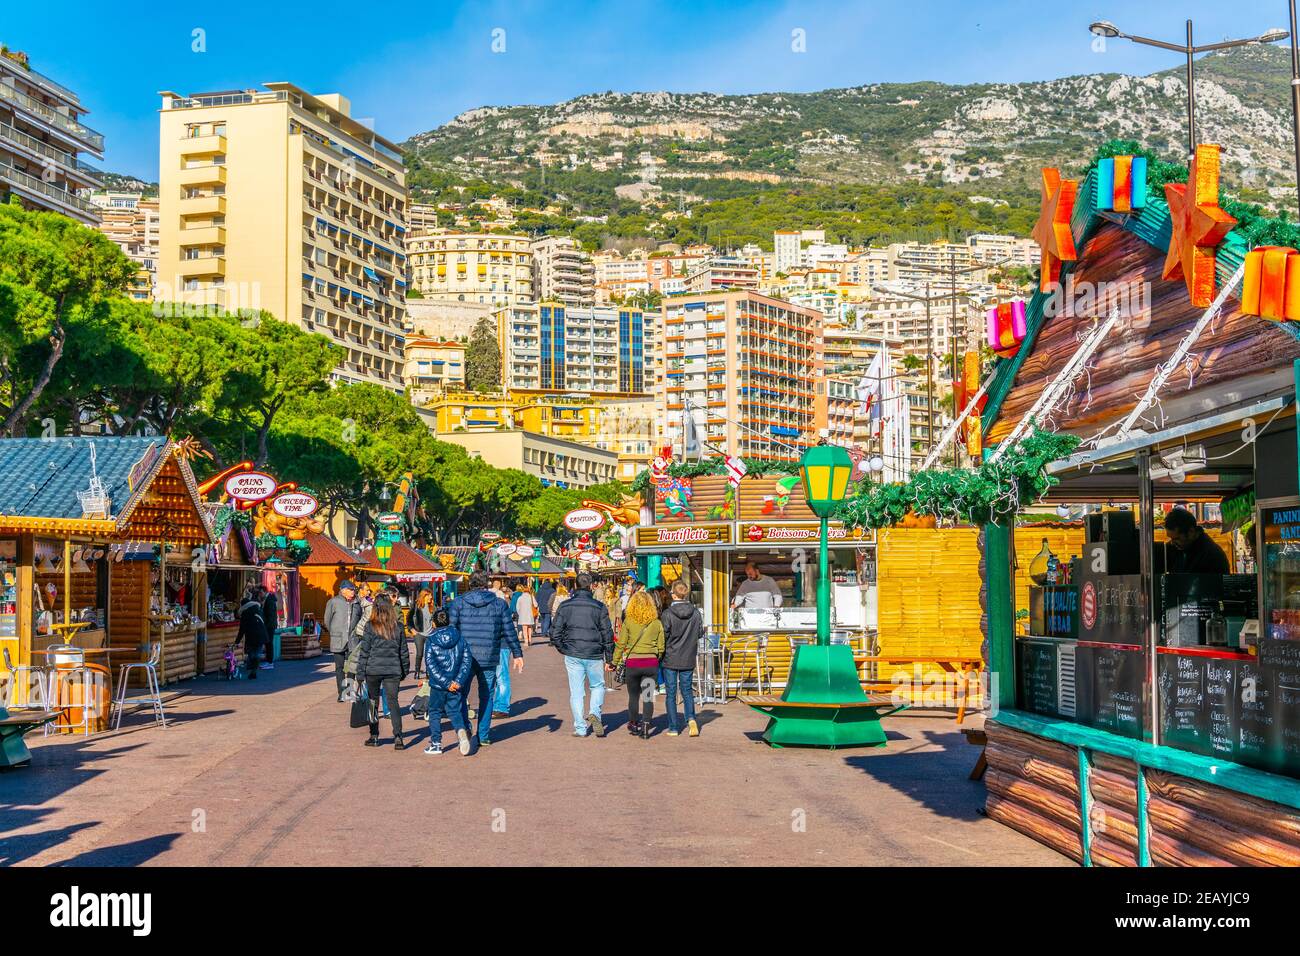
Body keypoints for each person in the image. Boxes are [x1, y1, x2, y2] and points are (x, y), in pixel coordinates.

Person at [449, 570, 524, 748]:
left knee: (460, 694)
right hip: (489, 655)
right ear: (487, 584)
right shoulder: (498, 604)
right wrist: (517, 653)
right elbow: (509, 630)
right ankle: (483, 735)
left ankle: (464, 728)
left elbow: (452, 631)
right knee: (487, 695)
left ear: (470, 583)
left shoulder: (458, 603)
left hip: (464, 656)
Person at [550, 571, 614, 738]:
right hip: (594, 653)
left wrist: (563, 648)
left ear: (576, 586)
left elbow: (554, 632)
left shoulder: (565, 606)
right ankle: (594, 713)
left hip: (573, 652)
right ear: (591, 586)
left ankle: (580, 727)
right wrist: (609, 657)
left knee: (577, 692)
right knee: (598, 686)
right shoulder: (599, 607)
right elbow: (607, 633)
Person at [355, 594, 410, 749]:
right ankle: (398, 737)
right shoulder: (398, 627)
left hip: (373, 670)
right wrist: (404, 670)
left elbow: (364, 652)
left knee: (373, 703)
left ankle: (374, 736)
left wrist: (360, 674)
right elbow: (403, 652)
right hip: (393, 670)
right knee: (393, 703)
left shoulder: (370, 626)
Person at [613, 590, 664, 738]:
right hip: (650, 663)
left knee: (633, 696)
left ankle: (634, 723)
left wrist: (614, 662)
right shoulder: (656, 623)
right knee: (648, 696)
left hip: (633, 663)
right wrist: (656, 656)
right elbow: (661, 646)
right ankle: (646, 724)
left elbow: (621, 644)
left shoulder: (628, 621)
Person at [422, 606, 473, 756]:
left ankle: (436, 743)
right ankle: (461, 731)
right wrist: (458, 681)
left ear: (434, 623)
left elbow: (430, 664)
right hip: (456, 683)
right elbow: (466, 660)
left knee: (435, 712)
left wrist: (445, 682)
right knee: (454, 711)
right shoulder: (459, 637)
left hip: (439, 685)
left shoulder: (431, 640)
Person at [660, 579, 703, 737]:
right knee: (687, 691)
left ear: (673, 594)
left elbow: (663, 636)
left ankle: (673, 727)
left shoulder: (667, 614)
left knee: (671, 693)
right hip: (688, 657)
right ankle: (691, 718)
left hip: (671, 657)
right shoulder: (696, 612)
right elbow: (699, 633)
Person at [324, 580, 361, 701]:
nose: (353, 592)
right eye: (351, 590)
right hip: (338, 638)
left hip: (353, 639)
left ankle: (349, 691)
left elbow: (360, 619)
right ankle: (341, 693)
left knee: (352, 667)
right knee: (339, 667)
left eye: (353, 590)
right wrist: (334, 632)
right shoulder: (333, 602)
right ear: (343, 590)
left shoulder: (357, 603)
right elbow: (327, 620)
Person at [1164, 507, 1230, 574]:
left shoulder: (1212, 555)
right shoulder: (1174, 548)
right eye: (1171, 538)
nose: (1172, 543)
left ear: (1191, 531)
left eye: (1177, 538)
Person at [235, 586, 269, 680]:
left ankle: (252, 668)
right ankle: (254, 670)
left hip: (251, 636)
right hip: (261, 635)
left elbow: (241, 630)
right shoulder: (258, 609)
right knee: (257, 653)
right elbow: (264, 621)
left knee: (251, 653)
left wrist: (237, 642)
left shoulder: (244, 614)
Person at [411, 590, 435, 680]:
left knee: (428, 654)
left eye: (431, 596)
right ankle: (417, 672)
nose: (431, 597)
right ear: (423, 596)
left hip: (430, 634)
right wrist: (412, 629)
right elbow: (410, 618)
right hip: (419, 634)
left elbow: (433, 620)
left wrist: (434, 627)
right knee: (419, 653)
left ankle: (428, 672)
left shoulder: (432, 606)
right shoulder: (417, 606)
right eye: (428, 595)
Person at [261, 584, 278, 669]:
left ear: (264, 592)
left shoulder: (269, 600)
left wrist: (266, 626)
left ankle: (270, 662)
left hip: (270, 626)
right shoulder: (269, 599)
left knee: (269, 643)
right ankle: (268, 661)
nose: (260, 595)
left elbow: (270, 615)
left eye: (260, 593)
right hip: (270, 625)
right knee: (268, 643)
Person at [515, 583, 537, 648]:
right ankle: (530, 640)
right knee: (529, 627)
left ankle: (526, 641)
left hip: (523, 615)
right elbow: (536, 605)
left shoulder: (520, 598)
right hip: (530, 615)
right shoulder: (531, 596)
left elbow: (517, 607)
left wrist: (520, 613)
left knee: (524, 628)